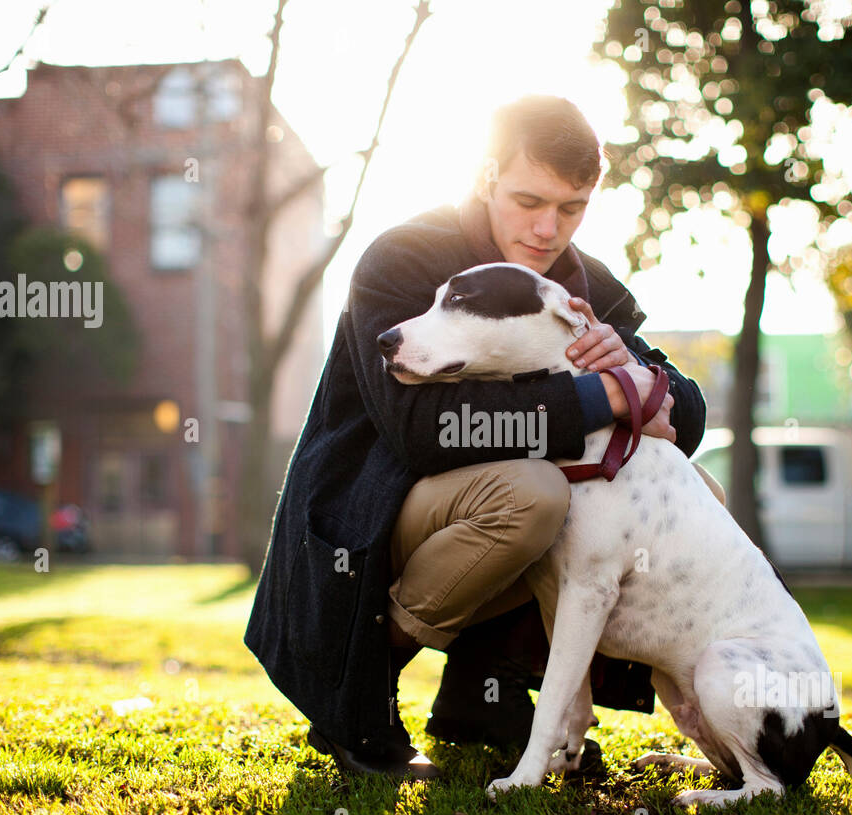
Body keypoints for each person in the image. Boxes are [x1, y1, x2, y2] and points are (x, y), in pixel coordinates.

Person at [243, 94, 720, 779]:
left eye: (571, 207)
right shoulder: (404, 259)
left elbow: (687, 416)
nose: (547, 228)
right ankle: (356, 690)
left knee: (699, 490)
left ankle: (487, 692)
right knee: (536, 492)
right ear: (485, 175)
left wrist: (647, 384)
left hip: (485, 518)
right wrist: (599, 397)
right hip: (367, 512)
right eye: (529, 199)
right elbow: (423, 433)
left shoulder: (583, 284)